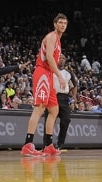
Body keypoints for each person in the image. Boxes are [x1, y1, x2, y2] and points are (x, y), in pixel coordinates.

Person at [21, 14, 68, 157]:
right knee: (39, 109)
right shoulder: (52, 37)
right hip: (42, 72)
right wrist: (59, 75)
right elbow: (49, 58)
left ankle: (48, 145)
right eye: (60, 22)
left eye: (65, 23)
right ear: (55, 24)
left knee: (54, 110)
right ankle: (28, 144)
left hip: (48, 74)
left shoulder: (58, 40)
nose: (63, 25)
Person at [51, 55, 74, 150]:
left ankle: (60, 143)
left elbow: (74, 86)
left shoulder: (68, 73)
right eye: (60, 58)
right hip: (53, 96)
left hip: (64, 98)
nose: (62, 60)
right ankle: (47, 143)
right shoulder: (51, 70)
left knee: (66, 119)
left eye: (64, 58)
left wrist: (73, 100)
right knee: (50, 120)